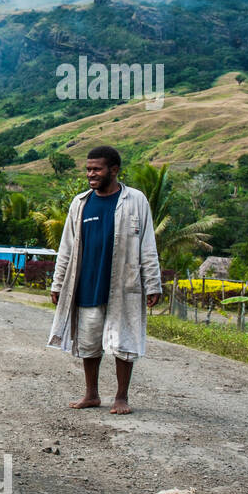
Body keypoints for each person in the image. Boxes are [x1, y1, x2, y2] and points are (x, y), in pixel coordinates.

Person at [47, 145, 162, 414]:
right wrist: (57, 282)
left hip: (124, 286)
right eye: (88, 169)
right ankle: (92, 394)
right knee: (89, 342)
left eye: (96, 169)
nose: (91, 174)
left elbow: (147, 244)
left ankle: (122, 397)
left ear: (114, 169)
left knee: (124, 342)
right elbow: (66, 247)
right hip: (87, 284)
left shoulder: (136, 200)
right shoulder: (80, 203)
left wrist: (153, 283)